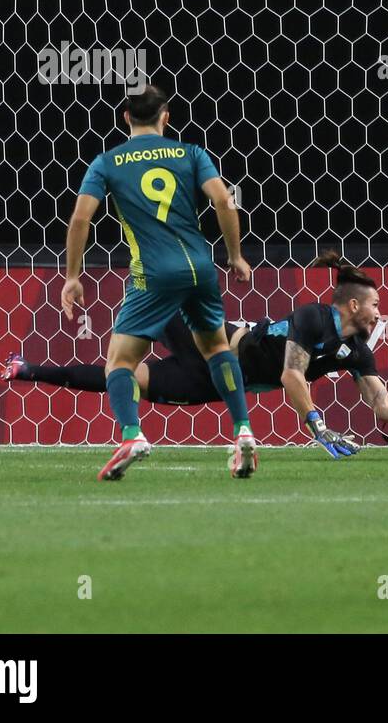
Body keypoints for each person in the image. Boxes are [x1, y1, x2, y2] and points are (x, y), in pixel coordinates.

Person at [5, 252, 388, 456]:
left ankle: (27, 369)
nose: (381, 315)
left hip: (211, 382)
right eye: (376, 305)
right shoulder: (314, 317)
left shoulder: (356, 350)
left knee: (126, 380)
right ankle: (142, 272)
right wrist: (318, 428)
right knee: (159, 300)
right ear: (353, 305)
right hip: (212, 341)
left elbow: (379, 403)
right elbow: (292, 377)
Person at [62, 84, 255, 481]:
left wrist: (73, 275)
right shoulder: (191, 153)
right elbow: (224, 201)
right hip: (201, 267)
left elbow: (81, 218)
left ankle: (132, 434)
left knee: (120, 360)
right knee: (217, 346)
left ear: (125, 117)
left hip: (152, 272)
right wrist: (234, 255)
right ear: (166, 116)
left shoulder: (107, 162)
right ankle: (243, 431)